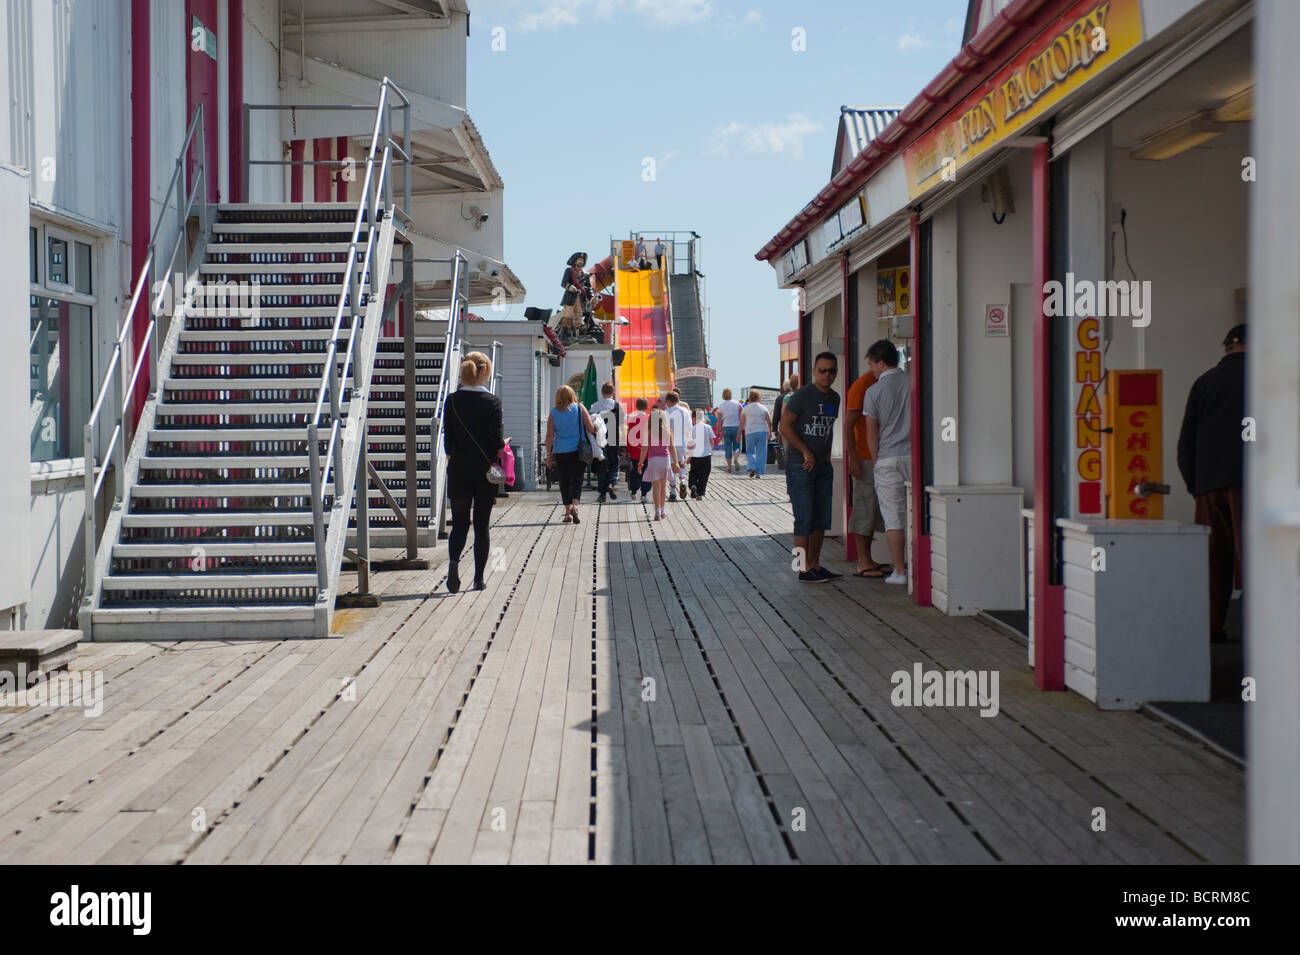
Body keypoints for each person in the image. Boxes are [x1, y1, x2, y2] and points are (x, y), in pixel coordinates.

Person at [1177, 323, 1247, 642]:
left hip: (1209, 484)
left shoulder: (1204, 382)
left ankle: (1211, 626)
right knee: (1258, 559)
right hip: (1254, 485)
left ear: (1228, 347)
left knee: (1213, 558)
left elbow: (1186, 442)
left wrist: (1196, 486)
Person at [442, 351, 504, 593]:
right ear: (485, 371)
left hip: (458, 469)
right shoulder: (493, 402)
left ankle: (454, 564)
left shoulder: (452, 401)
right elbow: (496, 440)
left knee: (459, 524)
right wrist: (503, 444)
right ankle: (478, 578)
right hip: (485, 471)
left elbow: (448, 442)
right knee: (481, 525)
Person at [779, 353, 842, 583]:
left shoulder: (834, 398)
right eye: (823, 370)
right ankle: (802, 569)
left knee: (821, 518)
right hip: (800, 464)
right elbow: (784, 426)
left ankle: (815, 565)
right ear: (814, 371)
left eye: (832, 371)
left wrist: (824, 457)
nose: (827, 375)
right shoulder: (802, 396)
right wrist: (805, 451)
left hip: (822, 465)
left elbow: (829, 429)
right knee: (803, 518)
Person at [862, 340, 911, 586]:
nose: (871, 369)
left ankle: (900, 571)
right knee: (915, 514)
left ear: (881, 362)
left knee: (893, 518)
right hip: (914, 458)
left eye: (871, 364)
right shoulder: (913, 382)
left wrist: (875, 461)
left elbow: (872, 433)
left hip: (888, 458)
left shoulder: (874, 392)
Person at [845, 364, 890, 578]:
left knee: (872, 511)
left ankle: (868, 558)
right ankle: (862, 561)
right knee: (864, 508)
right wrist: (853, 457)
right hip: (863, 457)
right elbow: (848, 424)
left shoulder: (881, 384)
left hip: (877, 457)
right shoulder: (863, 384)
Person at [545, 384, 596, 524]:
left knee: (564, 481)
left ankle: (567, 513)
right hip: (578, 450)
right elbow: (591, 429)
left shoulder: (553, 412)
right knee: (577, 479)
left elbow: (549, 436)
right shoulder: (580, 408)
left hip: (561, 451)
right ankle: (575, 505)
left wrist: (548, 455)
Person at [639, 404, 680, 521]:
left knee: (655, 488)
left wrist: (640, 463)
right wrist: (676, 462)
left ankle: (656, 512)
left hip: (653, 461)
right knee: (663, 487)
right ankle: (662, 511)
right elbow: (672, 448)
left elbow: (644, 449)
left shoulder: (649, 432)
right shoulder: (668, 431)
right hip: (665, 461)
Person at [590, 382, 623, 503]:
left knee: (602, 465)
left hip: (600, 438)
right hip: (613, 437)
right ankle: (612, 482)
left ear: (602, 392)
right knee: (614, 462)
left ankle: (602, 494)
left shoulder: (595, 406)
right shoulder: (618, 406)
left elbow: (590, 422)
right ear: (613, 393)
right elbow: (621, 423)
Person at [665, 390, 691, 501]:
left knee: (670, 467)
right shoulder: (685, 411)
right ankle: (683, 481)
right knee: (682, 465)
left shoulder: (666, 413)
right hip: (682, 443)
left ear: (668, 401)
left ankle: (673, 492)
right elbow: (690, 428)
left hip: (670, 444)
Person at [740, 388, 772, 479]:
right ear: (759, 397)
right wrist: (770, 432)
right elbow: (769, 421)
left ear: (750, 398)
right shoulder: (763, 408)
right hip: (762, 431)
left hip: (750, 432)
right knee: (761, 452)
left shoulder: (746, 409)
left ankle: (752, 466)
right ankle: (759, 473)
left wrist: (739, 434)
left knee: (749, 451)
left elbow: (742, 422)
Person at [626, 397, 652, 502]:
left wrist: (629, 449)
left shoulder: (632, 419)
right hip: (647, 451)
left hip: (635, 451)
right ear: (647, 407)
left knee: (635, 471)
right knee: (646, 472)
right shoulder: (650, 418)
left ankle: (633, 490)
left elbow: (629, 436)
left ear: (636, 407)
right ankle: (644, 494)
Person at [559, 252, 590, 338]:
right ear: (575, 261)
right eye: (579, 260)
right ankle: (564, 333)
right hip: (570, 297)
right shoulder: (569, 271)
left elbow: (589, 287)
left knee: (579, 317)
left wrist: (592, 296)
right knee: (567, 316)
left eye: (582, 260)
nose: (581, 262)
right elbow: (563, 283)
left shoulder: (586, 274)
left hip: (581, 298)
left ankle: (577, 334)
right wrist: (570, 287)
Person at [687, 407, 714, 499]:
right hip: (706, 456)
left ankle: (693, 485)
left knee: (693, 473)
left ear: (694, 418)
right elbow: (712, 440)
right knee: (704, 475)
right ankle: (700, 493)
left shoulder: (692, 429)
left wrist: (689, 456)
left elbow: (690, 444)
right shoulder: (708, 427)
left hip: (695, 456)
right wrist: (711, 450)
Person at [717, 388, 743, 472]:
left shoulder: (721, 405)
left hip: (726, 427)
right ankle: (736, 457)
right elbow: (742, 414)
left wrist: (718, 430)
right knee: (737, 445)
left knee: (728, 447)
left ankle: (729, 467)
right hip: (736, 426)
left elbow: (719, 419)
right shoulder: (737, 403)